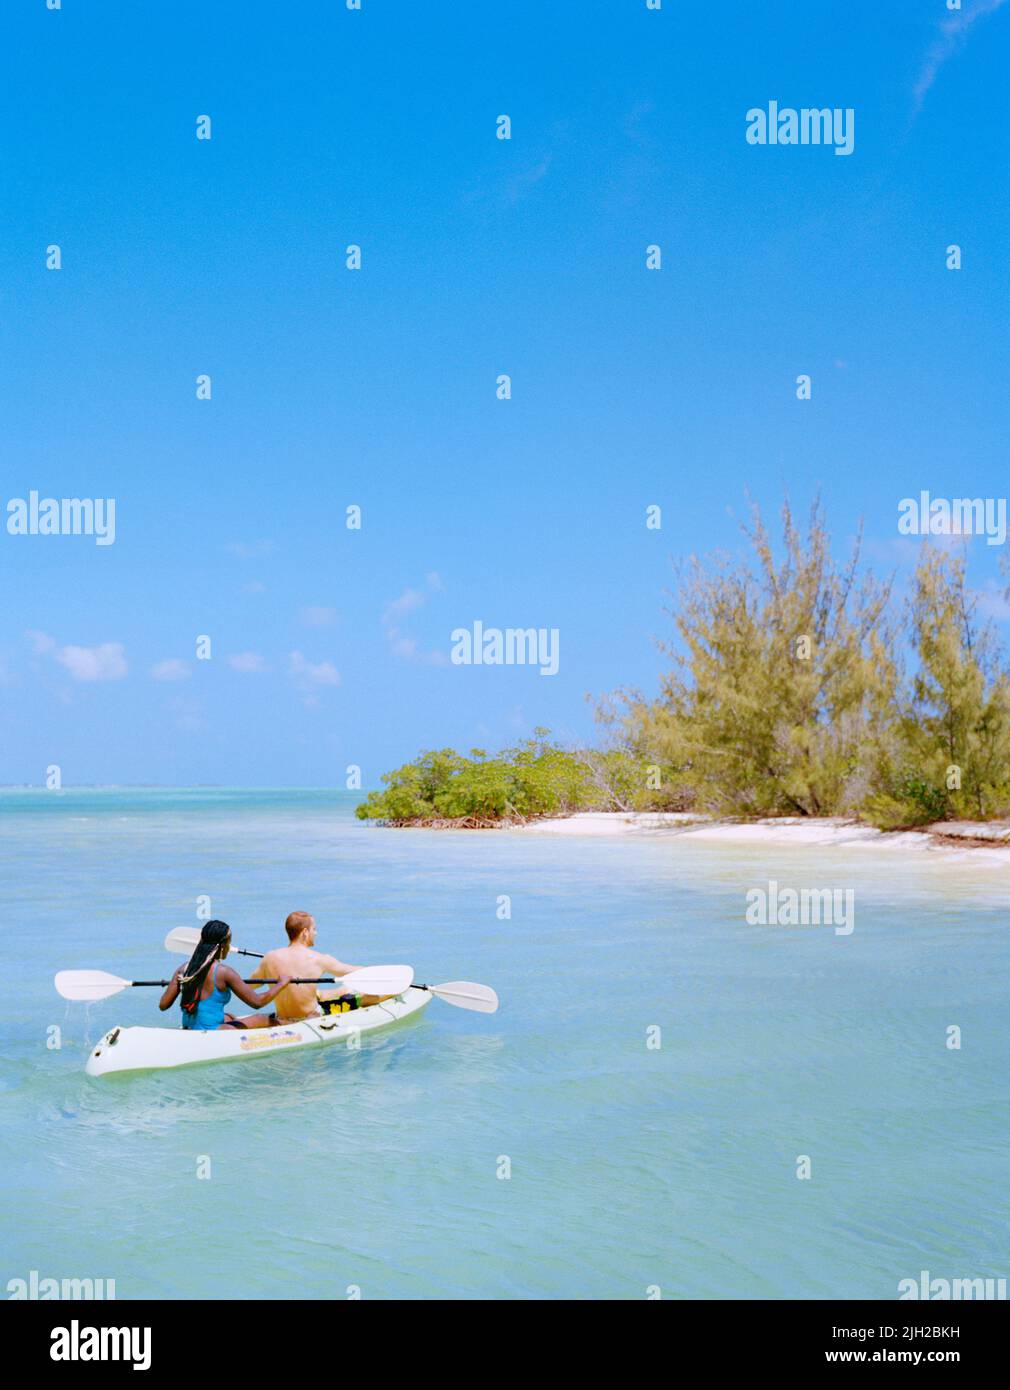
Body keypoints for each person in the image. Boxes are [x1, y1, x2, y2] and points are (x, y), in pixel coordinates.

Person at [250, 910, 391, 1023]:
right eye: (314, 929)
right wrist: (381, 973)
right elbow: (351, 972)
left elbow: (250, 987)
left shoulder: (269, 957)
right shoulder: (318, 959)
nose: (315, 933)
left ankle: (339, 991)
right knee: (363, 996)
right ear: (305, 932)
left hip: (281, 1018)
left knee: (332, 991)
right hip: (310, 1018)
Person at [159, 919, 290, 1030]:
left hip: (190, 1027)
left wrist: (176, 982)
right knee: (261, 1018)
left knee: (229, 1016)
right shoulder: (224, 972)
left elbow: (163, 1005)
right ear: (222, 946)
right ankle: (294, 1026)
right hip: (212, 1031)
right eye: (229, 942)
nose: (229, 946)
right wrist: (281, 983)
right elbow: (257, 1002)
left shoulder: (184, 969)